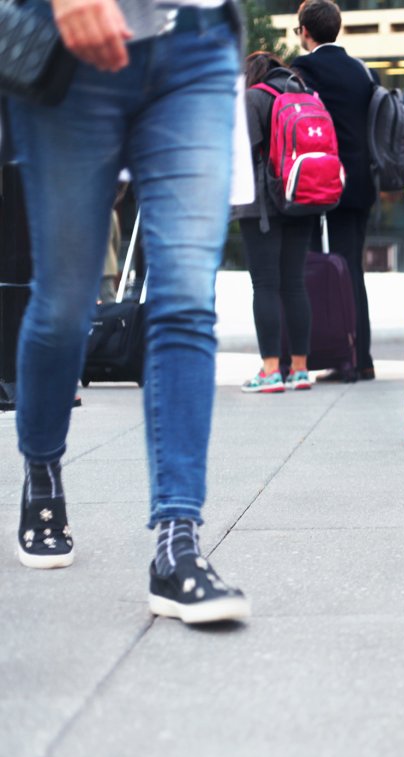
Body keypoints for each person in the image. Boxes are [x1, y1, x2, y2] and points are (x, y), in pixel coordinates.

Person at [6, 0, 250, 623]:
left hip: (196, 45)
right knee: (64, 302)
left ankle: (177, 543)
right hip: (70, 44)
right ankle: (42, 470)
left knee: (187, 301)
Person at [293, 0, 377, 382]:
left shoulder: (303, 69)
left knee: (312, 266)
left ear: (305, 32)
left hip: (318, 179)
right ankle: (361, 358)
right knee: (351, 269)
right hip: (359, 182)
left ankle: (319, 355)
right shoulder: (362, 71)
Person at [234, 52, 316, 394]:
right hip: (302, 197)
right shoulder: (307, 96)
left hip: (262, 207)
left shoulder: (253, 98)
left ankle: (270, 371)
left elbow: (244, 150)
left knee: (265, 285)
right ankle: (299, 369)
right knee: (295, 284)